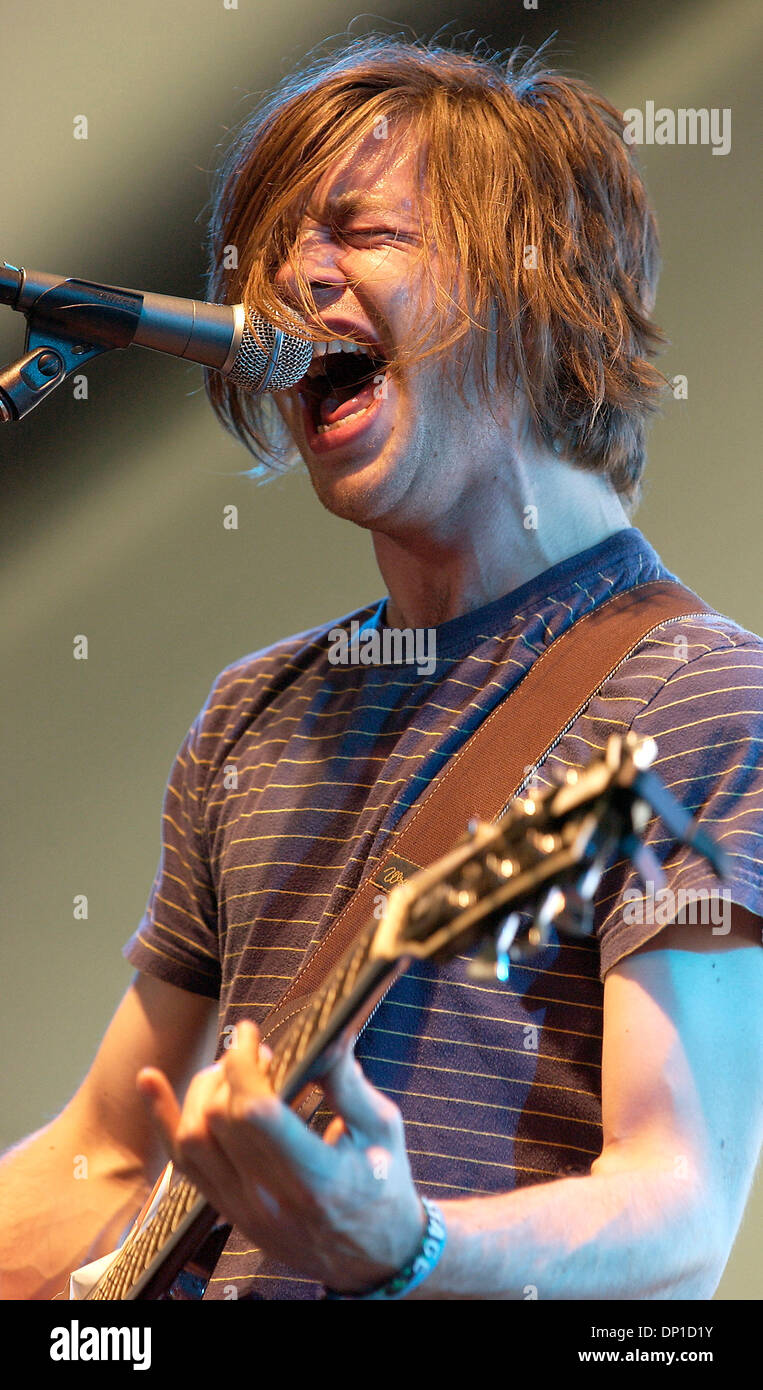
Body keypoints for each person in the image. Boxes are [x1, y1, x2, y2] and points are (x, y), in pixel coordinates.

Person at [1, 35, 761, 1303]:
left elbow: (679, 1206)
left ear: (535, 281)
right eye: (273, 256)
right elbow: (103, 1152)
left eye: (362, 232)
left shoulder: (697, 692)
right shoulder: (254, 717)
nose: (291, 283)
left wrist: (409, 1249)